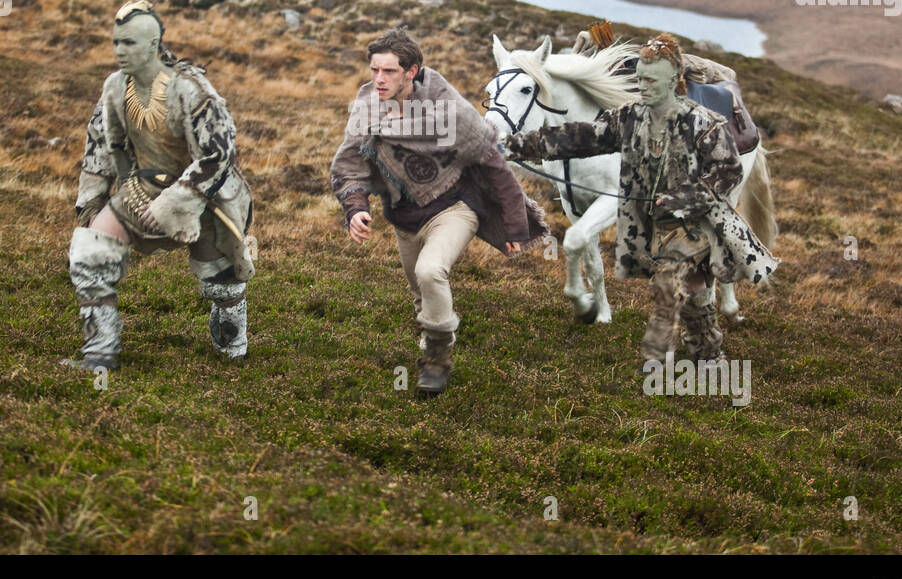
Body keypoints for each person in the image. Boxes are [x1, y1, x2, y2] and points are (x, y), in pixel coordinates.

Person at [500, 33, 777, 370]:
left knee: (696, 282)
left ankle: (707, 355)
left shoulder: (704, 121)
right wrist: (513, 147)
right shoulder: (629, 116)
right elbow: (585, 137)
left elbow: (728, 169)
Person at [329, 27, 550, 396]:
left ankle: (436, 359)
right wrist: (355, 208)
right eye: (374, 70)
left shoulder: (444, 105)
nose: (379, 79)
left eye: (389, 72)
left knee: (431, 272)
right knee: (420, 289)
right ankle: (432, 328)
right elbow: (349, 164)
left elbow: (492, 162)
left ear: (412, 71)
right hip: (404, 214)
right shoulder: (368, 104)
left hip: (454, 206)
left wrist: (515, 226)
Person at [63, 0, 255, 372]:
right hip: (140, 191)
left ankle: (233, 343)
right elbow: (101, 146)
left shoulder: (192, 90)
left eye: (130, 42)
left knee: (221, 284)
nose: (120, 50)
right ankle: (100, 353)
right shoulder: (115, 88)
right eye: (116, 42)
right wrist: (92, 203)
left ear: (153, 44)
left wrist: (174, 205)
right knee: (90, 255)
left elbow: (217, 156)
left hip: (206, 199)